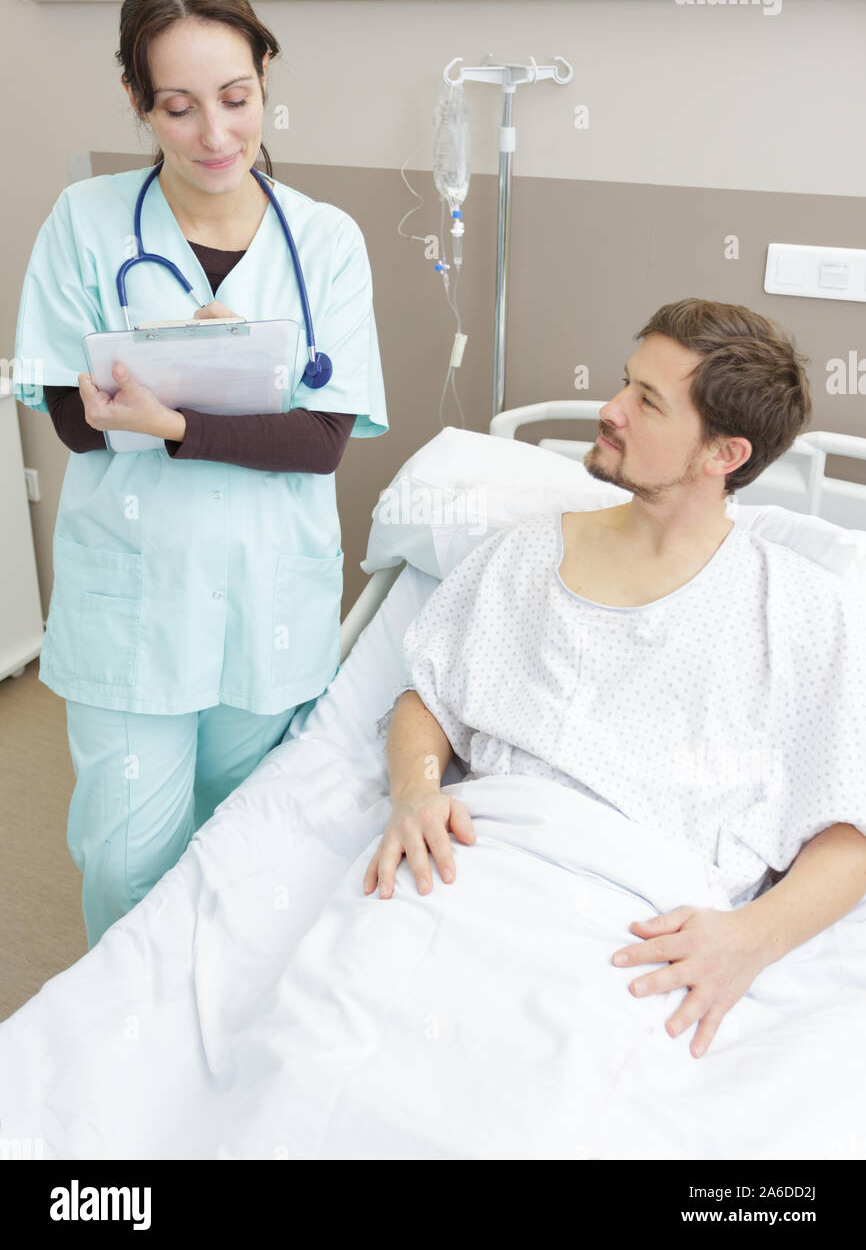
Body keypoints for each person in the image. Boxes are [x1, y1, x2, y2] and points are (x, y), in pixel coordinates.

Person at [366, 298, 866, 1060]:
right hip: (472, 869)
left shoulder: (797, 609)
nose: (610, 410)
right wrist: (416, 794)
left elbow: (848, 834)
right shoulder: (525, 554)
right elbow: (424, 702)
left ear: (722, 456)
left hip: (636, 926)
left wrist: (747, 942)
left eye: (647, 401)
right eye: (624, 383)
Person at [11, 0, 388, 948]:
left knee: (244, 853)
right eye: (177, 108)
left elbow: (316, 442)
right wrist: (184, 391)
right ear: (138, 102)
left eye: (235, 97)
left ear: (266, 74)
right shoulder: (86, 225)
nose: (215, 135)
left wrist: (168, 409)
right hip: (133, 606)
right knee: (130, 867)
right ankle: (121, 1066)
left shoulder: (326, 243)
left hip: (266, 604)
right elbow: (70, 418)